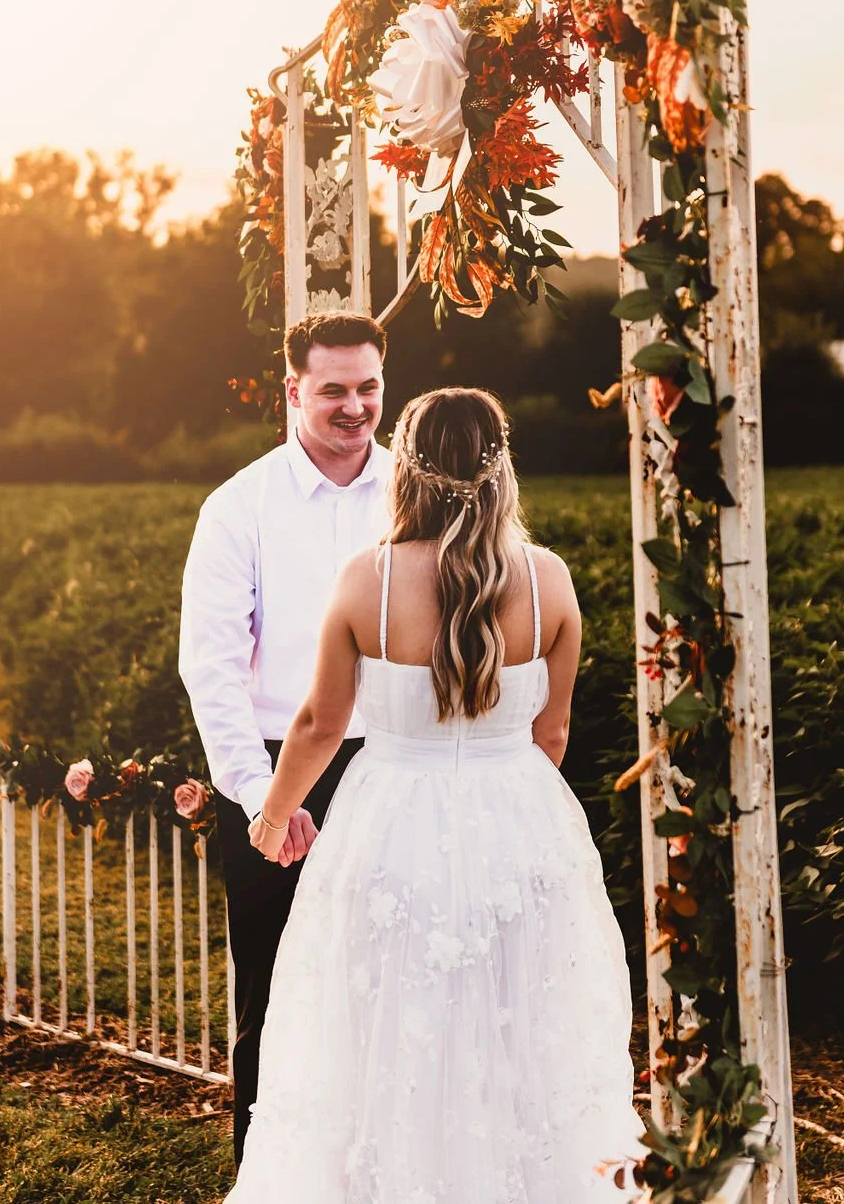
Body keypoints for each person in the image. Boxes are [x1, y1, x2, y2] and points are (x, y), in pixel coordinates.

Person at [229, 386, 642, 1202]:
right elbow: (552, 735)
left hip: (390, 828)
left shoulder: (367, 581)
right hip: (521, 824)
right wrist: (505, 811)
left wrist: (272, 814)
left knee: (382, 1027)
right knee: (520, 1025)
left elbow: (317, 723)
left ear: (406, 470)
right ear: (502, 464)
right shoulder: (550, 581)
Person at [178, 310, 392, 1164]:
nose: (354, 407)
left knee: (389, 983)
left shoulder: (419, 492)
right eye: (333, 389)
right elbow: (212, 667)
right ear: (293, 390)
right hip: (275, 771)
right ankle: (269, 1174)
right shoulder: (239, 507)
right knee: (273, 994)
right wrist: (263, 796)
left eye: (368, 387)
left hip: (396, 767)